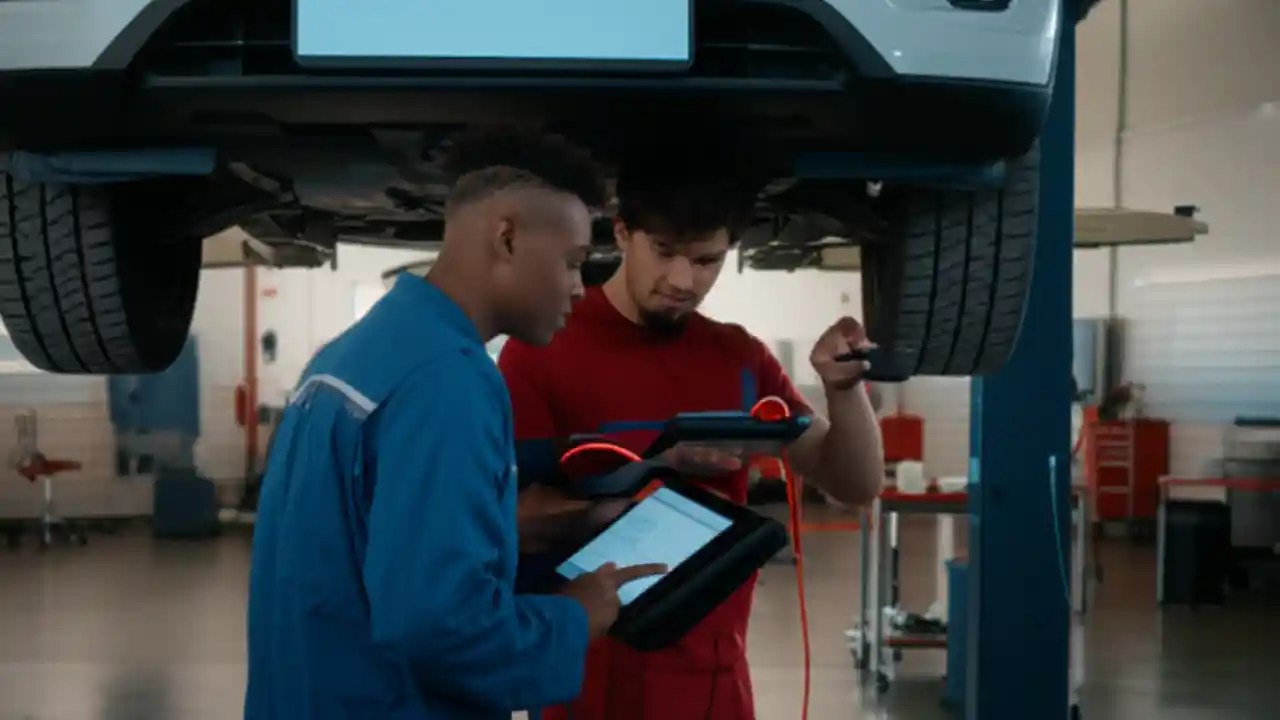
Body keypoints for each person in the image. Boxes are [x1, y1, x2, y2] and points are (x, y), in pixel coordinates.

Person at [244, 127, 667, 720]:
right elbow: (438, 627)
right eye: (573, 263)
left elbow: (361, 545)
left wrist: (526, 529)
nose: (578, 287)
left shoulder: (352, 356)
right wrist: (575, 613)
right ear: (509, 236)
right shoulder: (449, 380)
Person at [497, 145, 886, 720]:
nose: (683, 280)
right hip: (588, 684)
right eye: (665, 252)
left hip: (714, 684)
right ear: (623, 232)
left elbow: (855, 482)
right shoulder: (543, 348)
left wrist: (843, 390)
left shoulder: (738, 356)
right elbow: (506, 519)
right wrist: (655, 472)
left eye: (706, 260)